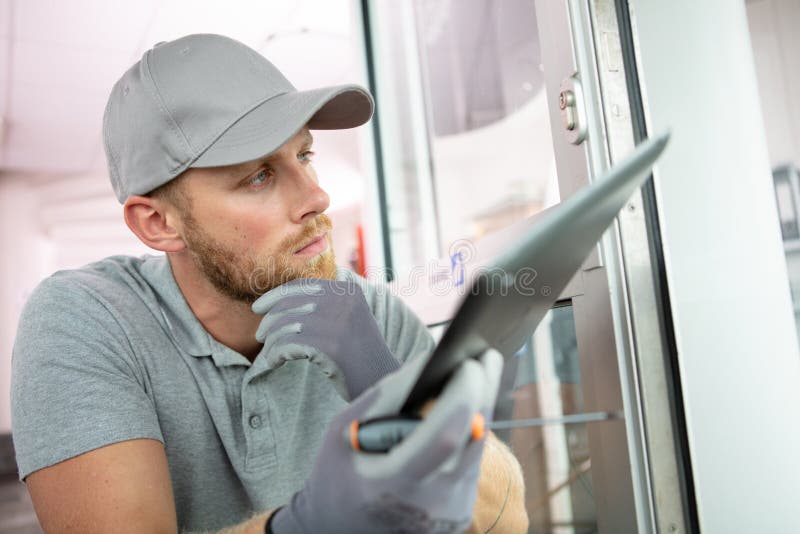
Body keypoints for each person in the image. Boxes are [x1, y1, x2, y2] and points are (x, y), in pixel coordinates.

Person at [11, 34, 527, 533]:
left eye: (304, 155)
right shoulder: (87, 319)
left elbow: (505, 521)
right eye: (258, 176)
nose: (316, 198)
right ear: (159, 224)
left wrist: (386, 381)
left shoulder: (366, 312)